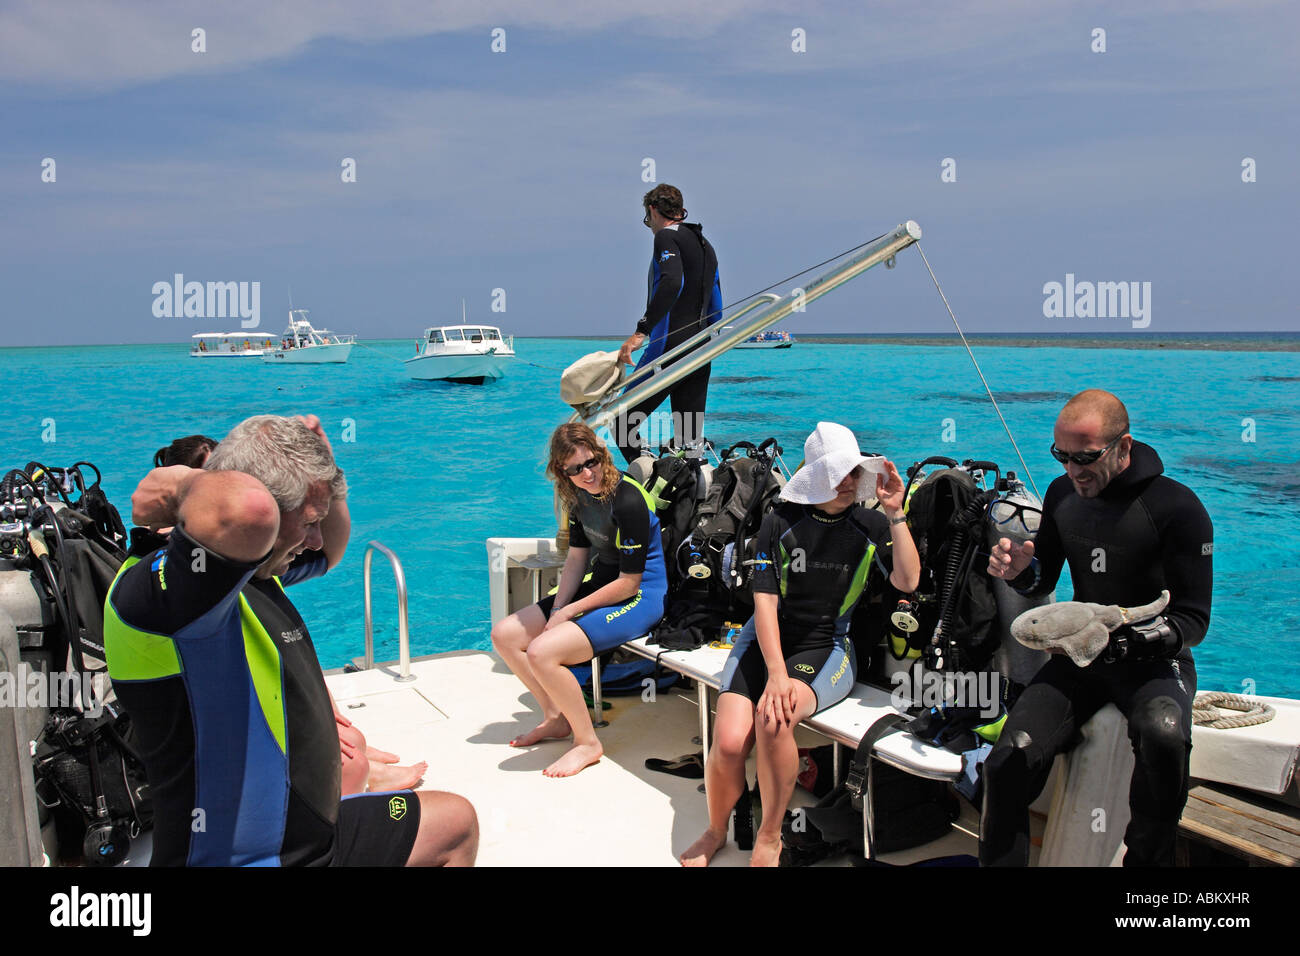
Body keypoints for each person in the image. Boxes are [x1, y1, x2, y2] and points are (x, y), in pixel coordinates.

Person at [106, 414, 477, 866]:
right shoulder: (173, 598)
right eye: (306, 522)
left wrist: (326, 477)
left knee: (453, 822)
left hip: (315, 839)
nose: (315, 538)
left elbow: (331, 551)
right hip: (246, 859)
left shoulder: (260, 572)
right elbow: (244, 509)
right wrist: (181, 486)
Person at [981, 389, 1213, 866]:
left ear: (1123, 447)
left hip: (1151, 659)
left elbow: (1193, 620)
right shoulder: (1061, 494)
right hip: (1079, 659)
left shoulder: (1178, 508)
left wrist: (1125, 642)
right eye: (1061, 456)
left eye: (1086, 457)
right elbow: (1042, 578)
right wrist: (1019, 572)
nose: (1073, 470)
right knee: (1008, 760)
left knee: (1163, 734)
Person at [680, 422, 920, 867]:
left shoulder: (871, 524)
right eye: (839, 473)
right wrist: (774, 673)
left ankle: (770, 836)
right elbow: (765, 606)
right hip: (766, 637)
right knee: (730, 742)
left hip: (827, 646)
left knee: (775, 719)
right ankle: (716, 830)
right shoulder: (780, 522)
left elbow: (907, 580)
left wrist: (896, 513)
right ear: (815, 477)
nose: (849, 483)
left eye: (854, 473)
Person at [147, 431, 426, 795]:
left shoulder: (261, 567)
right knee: (353, 765)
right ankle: (365, 780)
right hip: (222, 761)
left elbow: (324, 559)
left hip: (258, 722)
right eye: (225, 492)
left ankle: (360, 769)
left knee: (351, 739)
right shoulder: (191, 579)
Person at [490, 422, 669, 777]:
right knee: (505, 635)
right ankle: (556, 717)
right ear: (562, 472)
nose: (588, 474)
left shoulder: (627, 499)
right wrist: (557, 609)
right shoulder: (576, 498)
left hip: (640, 595)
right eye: (575, 469)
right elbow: (576, 560)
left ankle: (587, 743)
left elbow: (630, 584)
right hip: (603, 583)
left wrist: (569, 611)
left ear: (602, 455)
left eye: (592, 463)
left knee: (544, 652)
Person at [614, 184, 723, 463]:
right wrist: (709, 342)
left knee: (622, 422)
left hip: (669, 348)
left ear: (652, 210)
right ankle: (684, 496)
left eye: (647, 219)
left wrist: (641, 331)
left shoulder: (665, 237)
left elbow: (673, 281)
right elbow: (716, 303)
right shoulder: (705, 245)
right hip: (702, 349)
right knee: (688, 440)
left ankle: (648, 482)